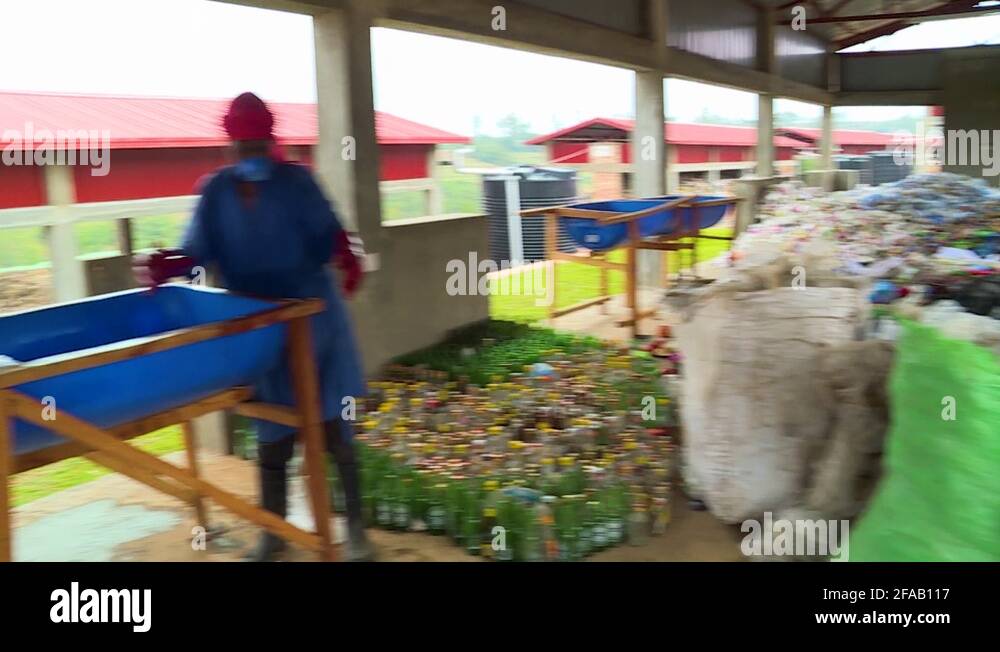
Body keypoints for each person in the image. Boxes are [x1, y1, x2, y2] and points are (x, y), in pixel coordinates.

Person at [134, 92, 373, 562]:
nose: (252, 157)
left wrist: (347, 254)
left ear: (271, 141)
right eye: (244, 148)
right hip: (260, 329)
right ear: (230, 146)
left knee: (333, 428)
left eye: (259, 146)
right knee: (271, 433)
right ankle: (274, 532)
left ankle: (358, 530)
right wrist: (166, 264)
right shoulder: (215, 191)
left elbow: (331, 234)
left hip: (314, 320)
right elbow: (195, 252)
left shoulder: (297, 183)